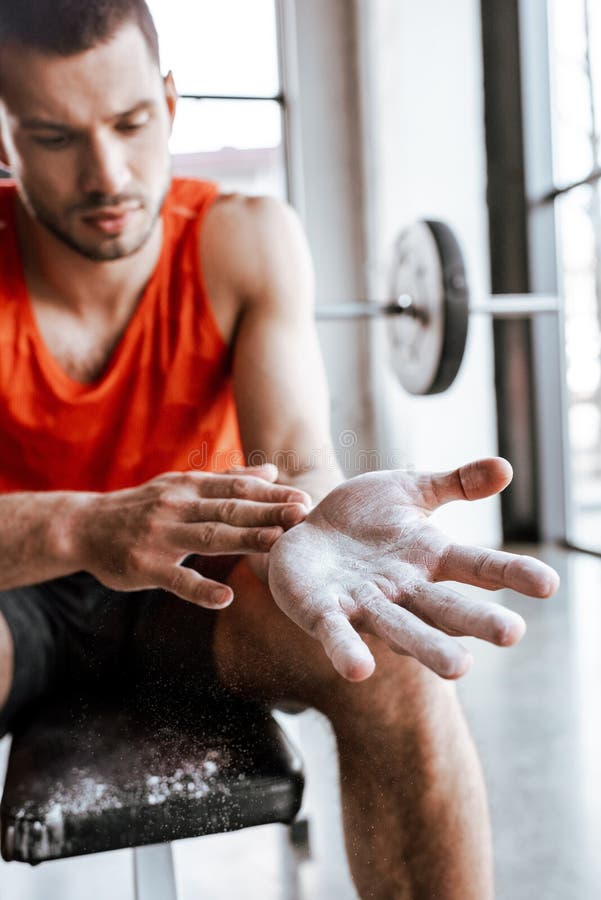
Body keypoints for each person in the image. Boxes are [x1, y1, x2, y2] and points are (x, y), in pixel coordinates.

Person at [0, 1, 559, 897]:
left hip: (204, 588)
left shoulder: (244, 238)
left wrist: (325, 532)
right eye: (54, 136)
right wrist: (83, 524)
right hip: (16, 590)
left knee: (392, 663)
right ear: (5, 136)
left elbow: (297, 456)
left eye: (131, 123)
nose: (107, 174)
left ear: (170, 105)